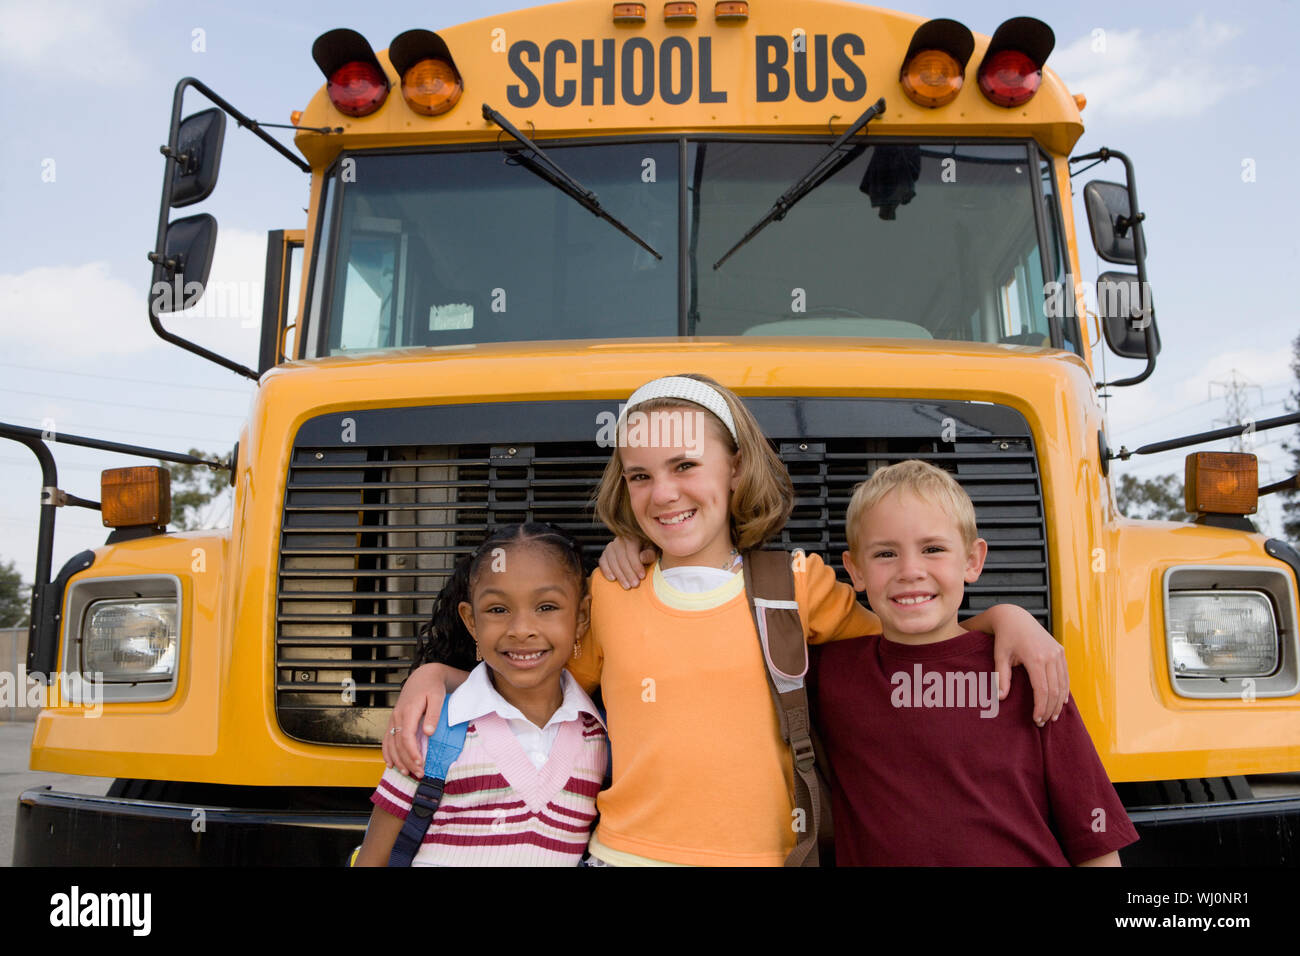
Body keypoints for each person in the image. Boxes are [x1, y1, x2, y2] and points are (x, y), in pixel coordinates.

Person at [385, 374, 1068, 866]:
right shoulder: (614, 588)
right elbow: (535, 678)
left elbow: (913, 642)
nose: (665, 493)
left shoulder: (797, 585)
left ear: (736, 467)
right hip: (623, 857)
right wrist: (443, 673)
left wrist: (1006, 618)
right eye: (641, 475)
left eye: (686, 465)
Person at [811, 460, 1138, 865]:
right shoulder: (832, 674)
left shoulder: (1027, 671)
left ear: (972, 561)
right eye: (885, 554)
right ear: (855, 571)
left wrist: (1008, 616)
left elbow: (1095, 839)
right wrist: (1005, 614)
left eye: (933, 549)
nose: (910, 571)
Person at [354, 523, 608, 866]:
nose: (521, 630)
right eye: (498, 610)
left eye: (546, 607)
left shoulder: (597, 739)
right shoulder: (434, 730)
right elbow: (374, 859)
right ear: (471, 621)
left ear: (580, 617)